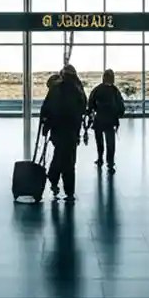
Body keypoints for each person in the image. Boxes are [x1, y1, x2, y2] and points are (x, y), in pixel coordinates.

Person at [40, 65, 87, 201]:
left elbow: (46, 108)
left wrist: (45, 126)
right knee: (69, 160)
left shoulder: (56, 89)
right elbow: (83, 107)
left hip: (57, 129)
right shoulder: (78, 89)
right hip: (72, 130)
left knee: (60, 154)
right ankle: (69, 190)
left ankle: (54, 178)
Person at [88, 69, 126, 173]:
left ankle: (100, 158)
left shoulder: (97, 89)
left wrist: (92, 111)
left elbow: (91, 102)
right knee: (110, 143)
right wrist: (118, 115)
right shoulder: (115, 90)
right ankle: (110, 162)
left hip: (99, 119)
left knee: (99, 141)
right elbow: (120, 105)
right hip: (110, 120)